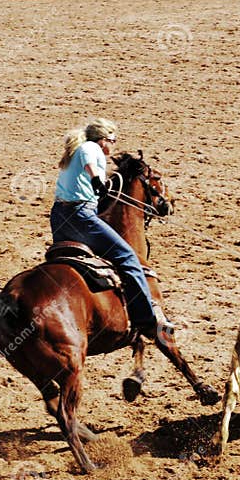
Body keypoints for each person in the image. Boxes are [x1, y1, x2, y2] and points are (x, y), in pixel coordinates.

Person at [50, 118, 159, 334]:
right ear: (103, 140)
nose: (113, 145)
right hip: (80, 215)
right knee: (127, 257)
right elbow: (90, 159)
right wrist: (96, 178)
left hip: (59, 217)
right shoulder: (90, 147)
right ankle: (147, 319)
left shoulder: (72, 155)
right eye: (113, 140)